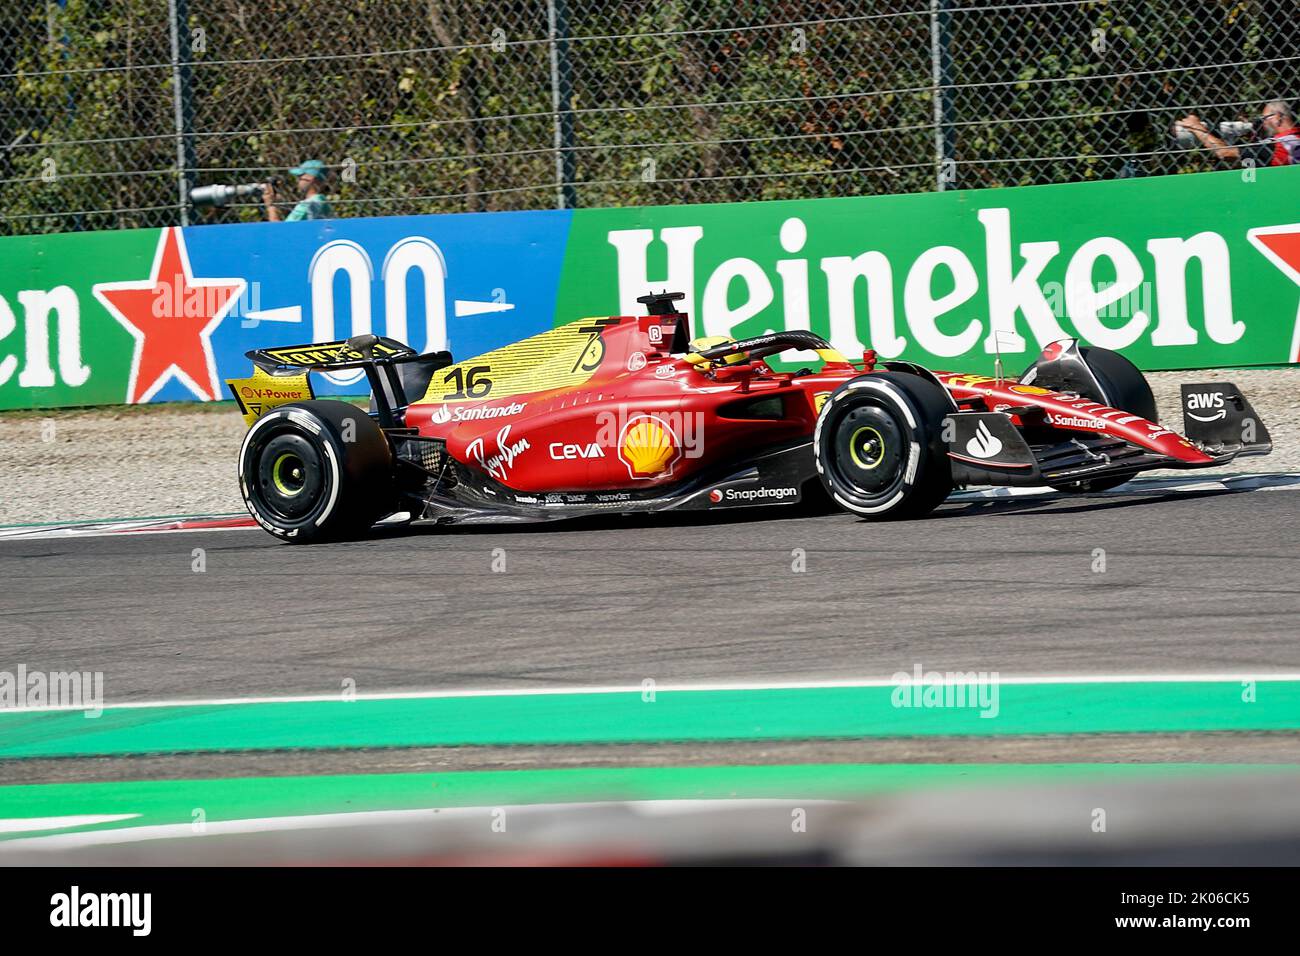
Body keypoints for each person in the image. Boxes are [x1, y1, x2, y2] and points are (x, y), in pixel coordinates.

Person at [1176, 100, 1300, 167]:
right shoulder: (1295, 138)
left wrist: (1196, 127)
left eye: (1264, 118)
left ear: (1277, 117)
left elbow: (1224, 153)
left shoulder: (1276, 145)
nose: (1263, 124)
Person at [263, 159, 334, 222]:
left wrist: (271, 206)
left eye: (301, 175)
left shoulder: (310, 203)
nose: (298, 179)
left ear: (311, 178)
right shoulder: (321, 200)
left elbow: (281, 231)